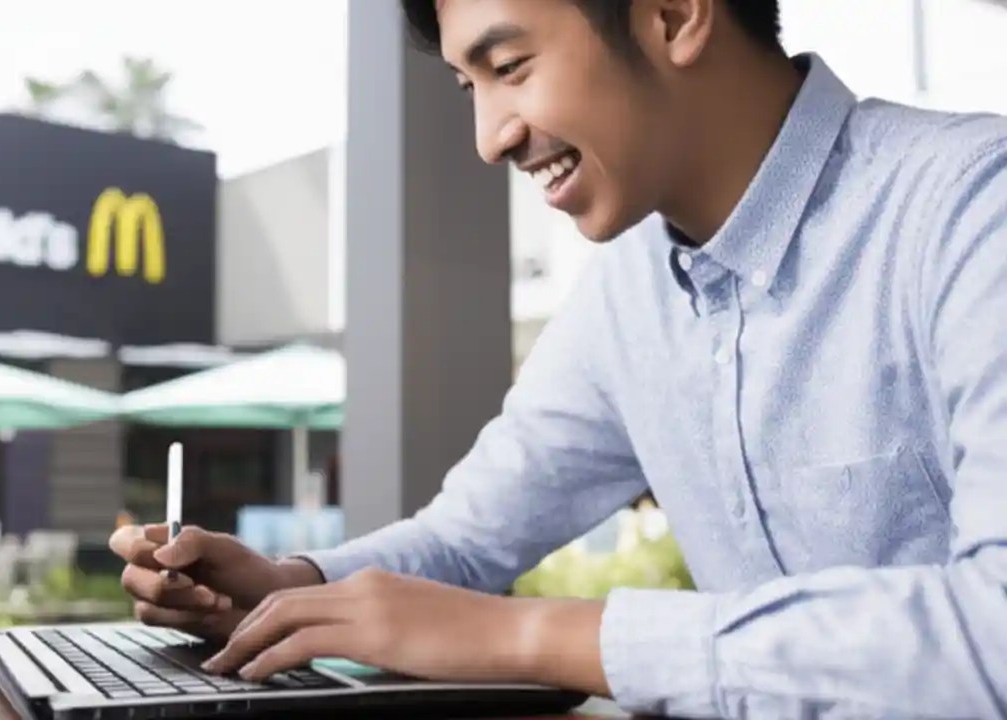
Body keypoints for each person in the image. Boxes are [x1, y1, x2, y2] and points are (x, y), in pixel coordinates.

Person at [109, 0, 1007, 716]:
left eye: (510, 68)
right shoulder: (628, 293)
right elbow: (465, 542)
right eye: (471, 88)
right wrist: (288, 591)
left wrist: (530, 638)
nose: (490, 137)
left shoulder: (971, 208)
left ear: (673, 15)